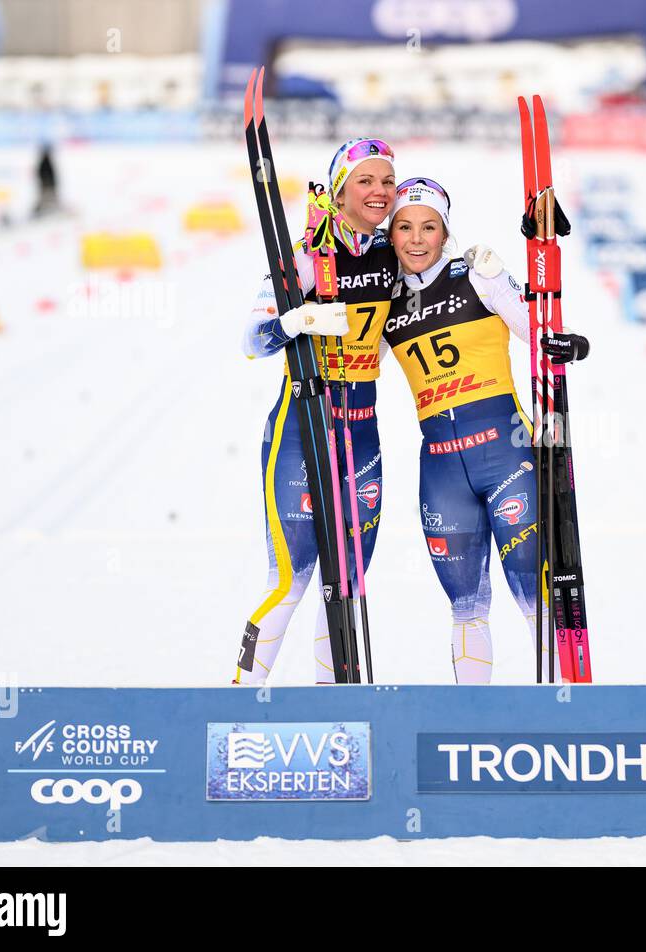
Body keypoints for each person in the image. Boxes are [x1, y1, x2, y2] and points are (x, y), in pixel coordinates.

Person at [384, 177, 588, 683]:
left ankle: (562, 702)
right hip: (442, 472)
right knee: (465, 604)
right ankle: (473, 715)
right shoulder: (385, 301)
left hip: (506, 456)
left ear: (444, 232)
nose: (415, 239)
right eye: (404, 228)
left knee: (532, 589)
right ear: (390, 237)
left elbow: (538, 331)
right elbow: (352, 364)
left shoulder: (477, 274)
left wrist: (565, 341)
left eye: (428, 227)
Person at [233, 138, 398, 684]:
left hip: (362, 430)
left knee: (348, 579)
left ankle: (335, 709)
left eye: (386, 182)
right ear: (340, 188)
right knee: (294, 576)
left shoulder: (394, 253)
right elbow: (253, 340)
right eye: (365, 181)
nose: (378, 192)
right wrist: (301, 321)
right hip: (303, 425)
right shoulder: (305, 256)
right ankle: (238, 698)